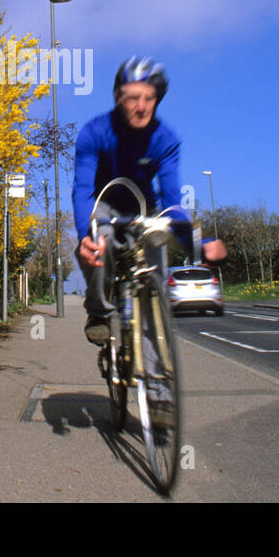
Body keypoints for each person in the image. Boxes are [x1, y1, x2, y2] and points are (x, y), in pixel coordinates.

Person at [71, 56, 227, 343]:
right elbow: (82, 189)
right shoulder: (94, 133)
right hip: (103, 203)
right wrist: (85, 235)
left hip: (145, 206)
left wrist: (198, 247)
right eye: (132, 98)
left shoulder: (165, 140)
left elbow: (172, 201)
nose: (141, 107)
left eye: (149, 98)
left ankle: (158, 386)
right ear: (117, 97)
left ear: (158, 99)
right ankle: (99, 312)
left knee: (155, 284)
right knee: (100, 240)